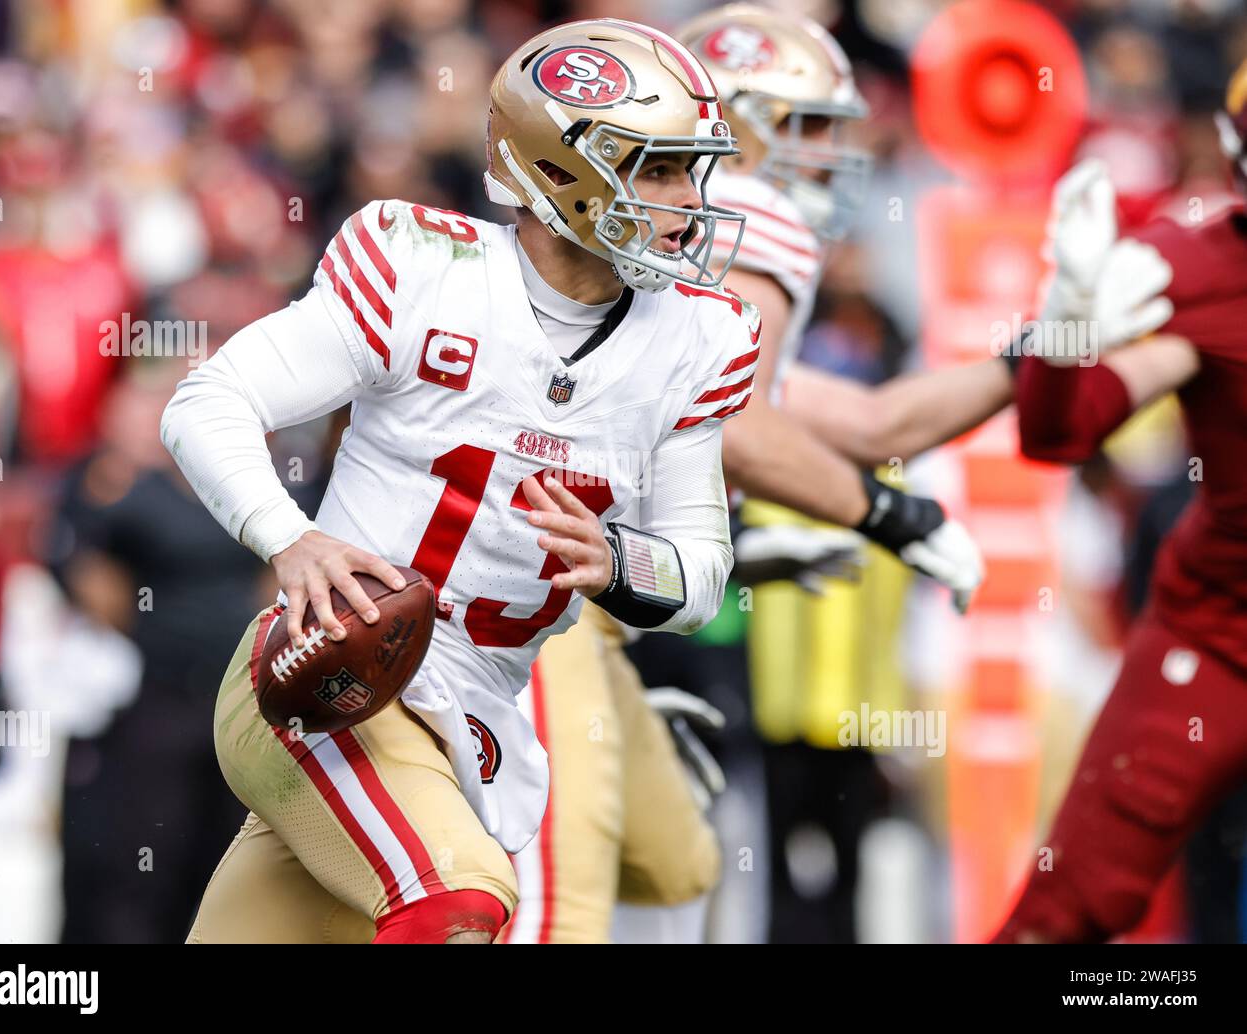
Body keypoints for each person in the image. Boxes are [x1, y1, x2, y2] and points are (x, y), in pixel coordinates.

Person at [167, 17, 770, 944]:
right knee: (457, 902)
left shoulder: (700, 338)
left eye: (692, 170)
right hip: (328, 678)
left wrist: (615, 561)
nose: (688, 201)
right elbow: (206, 403)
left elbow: (698, 578)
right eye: (657, 168)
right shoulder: (423, 270)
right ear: (561, 172)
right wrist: (290, 537)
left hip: (472, 724)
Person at [508, 4, 1017, 944]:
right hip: (548, 599)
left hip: (599, 596)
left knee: (679, 869)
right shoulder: (755, 216)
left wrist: (1029, 361)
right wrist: (891, 517)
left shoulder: (685, 236)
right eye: (811, 125)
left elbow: (868, 420)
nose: (831, 151)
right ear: (737, 118)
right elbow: (738, 421)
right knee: (562, 896)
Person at [993, 61, 1247, 942]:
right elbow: (1058, 433)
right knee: (1070, 911)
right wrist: (1065, 324)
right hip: (1220, 634)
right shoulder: (1208, 267)